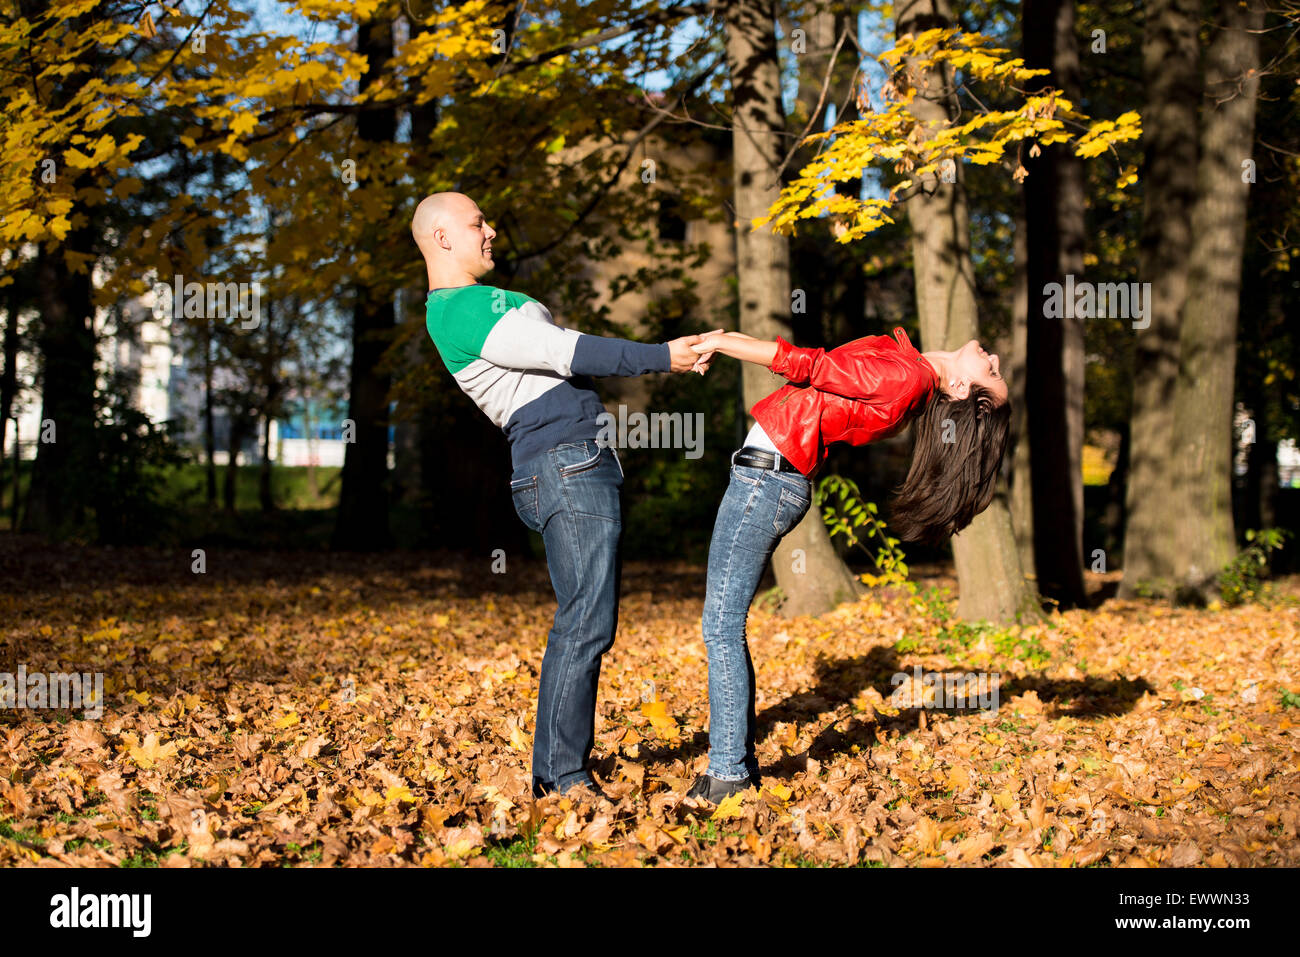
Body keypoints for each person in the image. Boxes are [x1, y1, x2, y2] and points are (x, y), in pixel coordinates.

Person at [412, 192, 716, 800]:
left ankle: (560, 771)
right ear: (443, 238)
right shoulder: (454, 310)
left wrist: (534, 313)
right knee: (585, 621)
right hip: (563, 464)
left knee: (588, 618)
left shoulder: (483, 303)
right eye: (478, 224)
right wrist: (664, 357)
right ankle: (561, 778)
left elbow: (547, 329)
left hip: (573, 462)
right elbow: (563, 348)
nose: (491, 230)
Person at [681, 328, 1011, 803]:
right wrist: (722, 339)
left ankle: (728, 773)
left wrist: (724, 343)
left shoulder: (904, 378)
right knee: (723, 625)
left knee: (722, 626)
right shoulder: (906, 367)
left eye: (992, 372)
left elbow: (809, 365)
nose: (994, 356)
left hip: (763, 486)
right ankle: (736, 766)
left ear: (960, 389)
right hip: (763, 481)